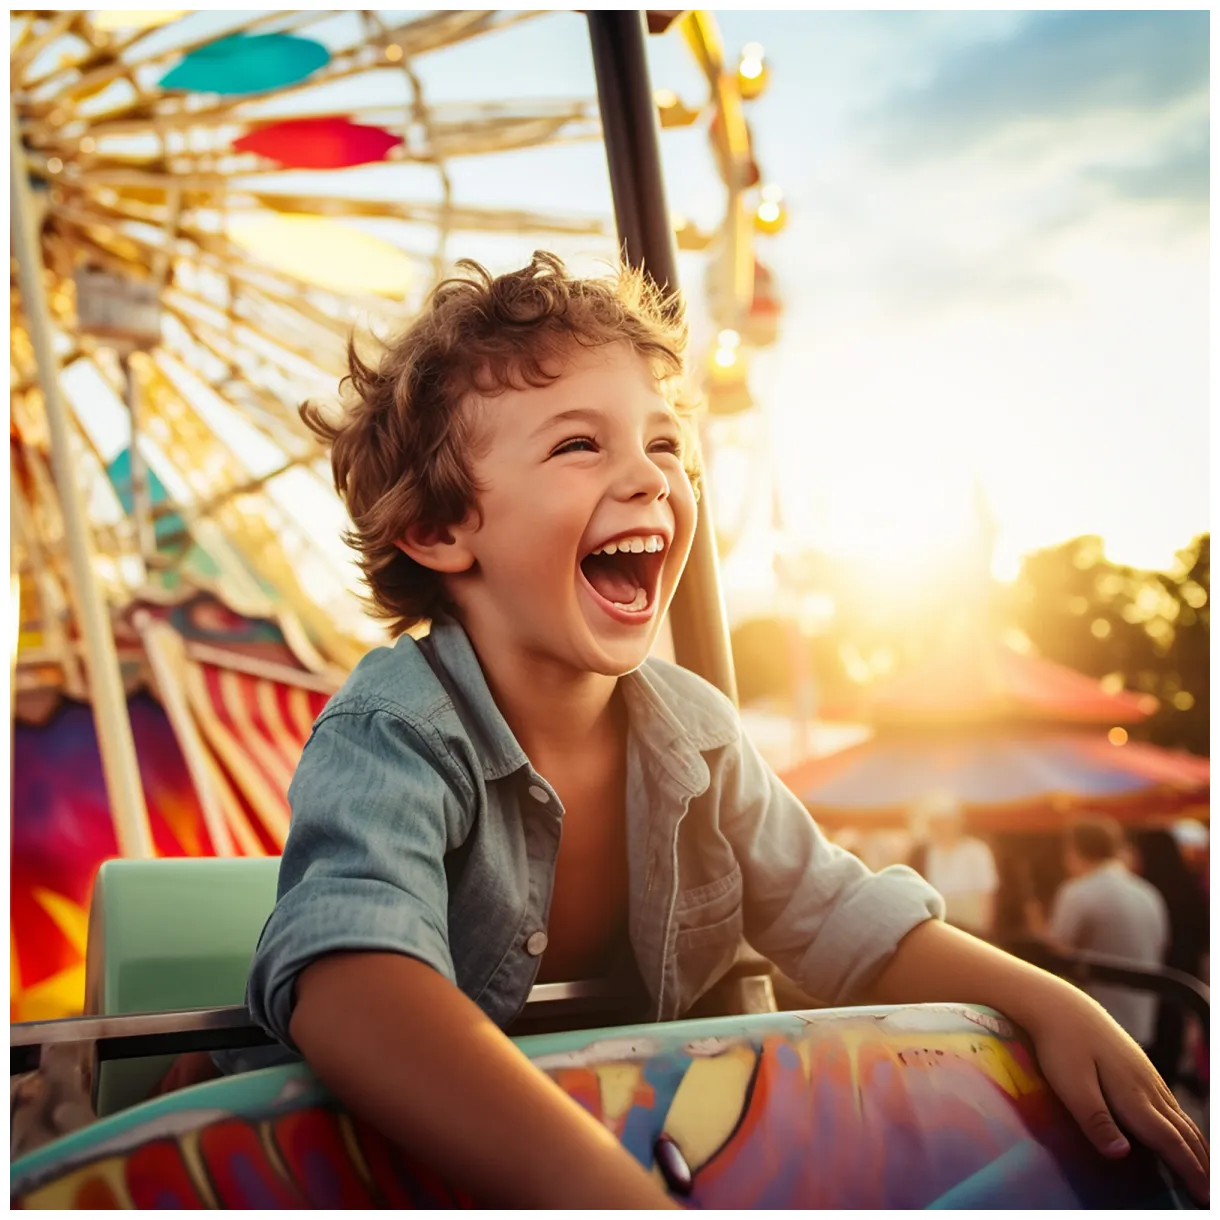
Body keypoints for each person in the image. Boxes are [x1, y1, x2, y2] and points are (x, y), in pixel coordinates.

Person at [243, 254, 1208, 1208]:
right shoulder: (396, 730)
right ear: (442, 529)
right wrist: (598, 1186)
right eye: (580, 446)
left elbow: (840, 918)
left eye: (666, 446)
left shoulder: (696, 732)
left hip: (667, 1146)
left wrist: (1051, 1003)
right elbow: (350, 979)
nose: (648, 478)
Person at [1044, 817, 1170, 1048]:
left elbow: (1056, 951)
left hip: (1096, 1025)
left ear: (1074, 849)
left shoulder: (1077, 892)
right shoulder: (1149, 893)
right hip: (1143, 1023)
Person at [1129, 827, 1209, 1086]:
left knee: (1159, 1029)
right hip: (1185, 969)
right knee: (1173, 1030)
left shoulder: (1146, 889)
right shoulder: (1187, 884)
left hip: (1161, 972)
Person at [907, 791, 999, 938]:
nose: (942, 827)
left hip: (970, 924)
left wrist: (984, 932)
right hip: (938, 923)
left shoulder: (976, 850)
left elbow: (986, 895)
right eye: (937, 822)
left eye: (946, 821)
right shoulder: (922, 854)